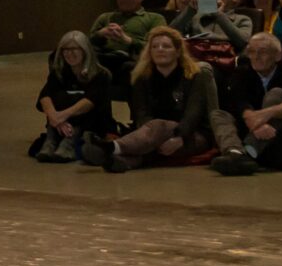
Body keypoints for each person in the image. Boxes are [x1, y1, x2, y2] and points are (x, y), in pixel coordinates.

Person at [86, 26, 232, 173]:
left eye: (166, 46)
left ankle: (112, 148)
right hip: (150, 134)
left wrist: (179, 138)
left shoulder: (195, 75)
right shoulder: (141, 78)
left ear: (178, 51)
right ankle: (120, 161)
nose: (160, 49)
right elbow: (141, 114)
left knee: (157, 127)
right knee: (155, 127)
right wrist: (152, 137)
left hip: (191, 134)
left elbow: (193, 114)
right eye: (155, 46)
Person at [213, 32, 282, 175]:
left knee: (276, 94)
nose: (256, 57)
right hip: (256, 128)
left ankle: (248, 153)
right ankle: (234, 152)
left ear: (277, 55)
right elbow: (236, 100)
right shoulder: (243, 71)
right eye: (251, 52)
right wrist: (251, 117)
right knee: (218, 114)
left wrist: (265, 114)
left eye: (262, 52)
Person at [31, 31, 113, 162]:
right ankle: (51, 140)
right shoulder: (59, 73)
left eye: (74, 49)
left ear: (85, 50)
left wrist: (62, 116)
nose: (69, 53)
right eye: (65, 49)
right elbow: (45, 96)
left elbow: (89, 102)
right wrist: (55, 118)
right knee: (59, 97)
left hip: (91, 123)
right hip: (60, 121)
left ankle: (69, 142)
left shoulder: (101, 75)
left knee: (75, 98)